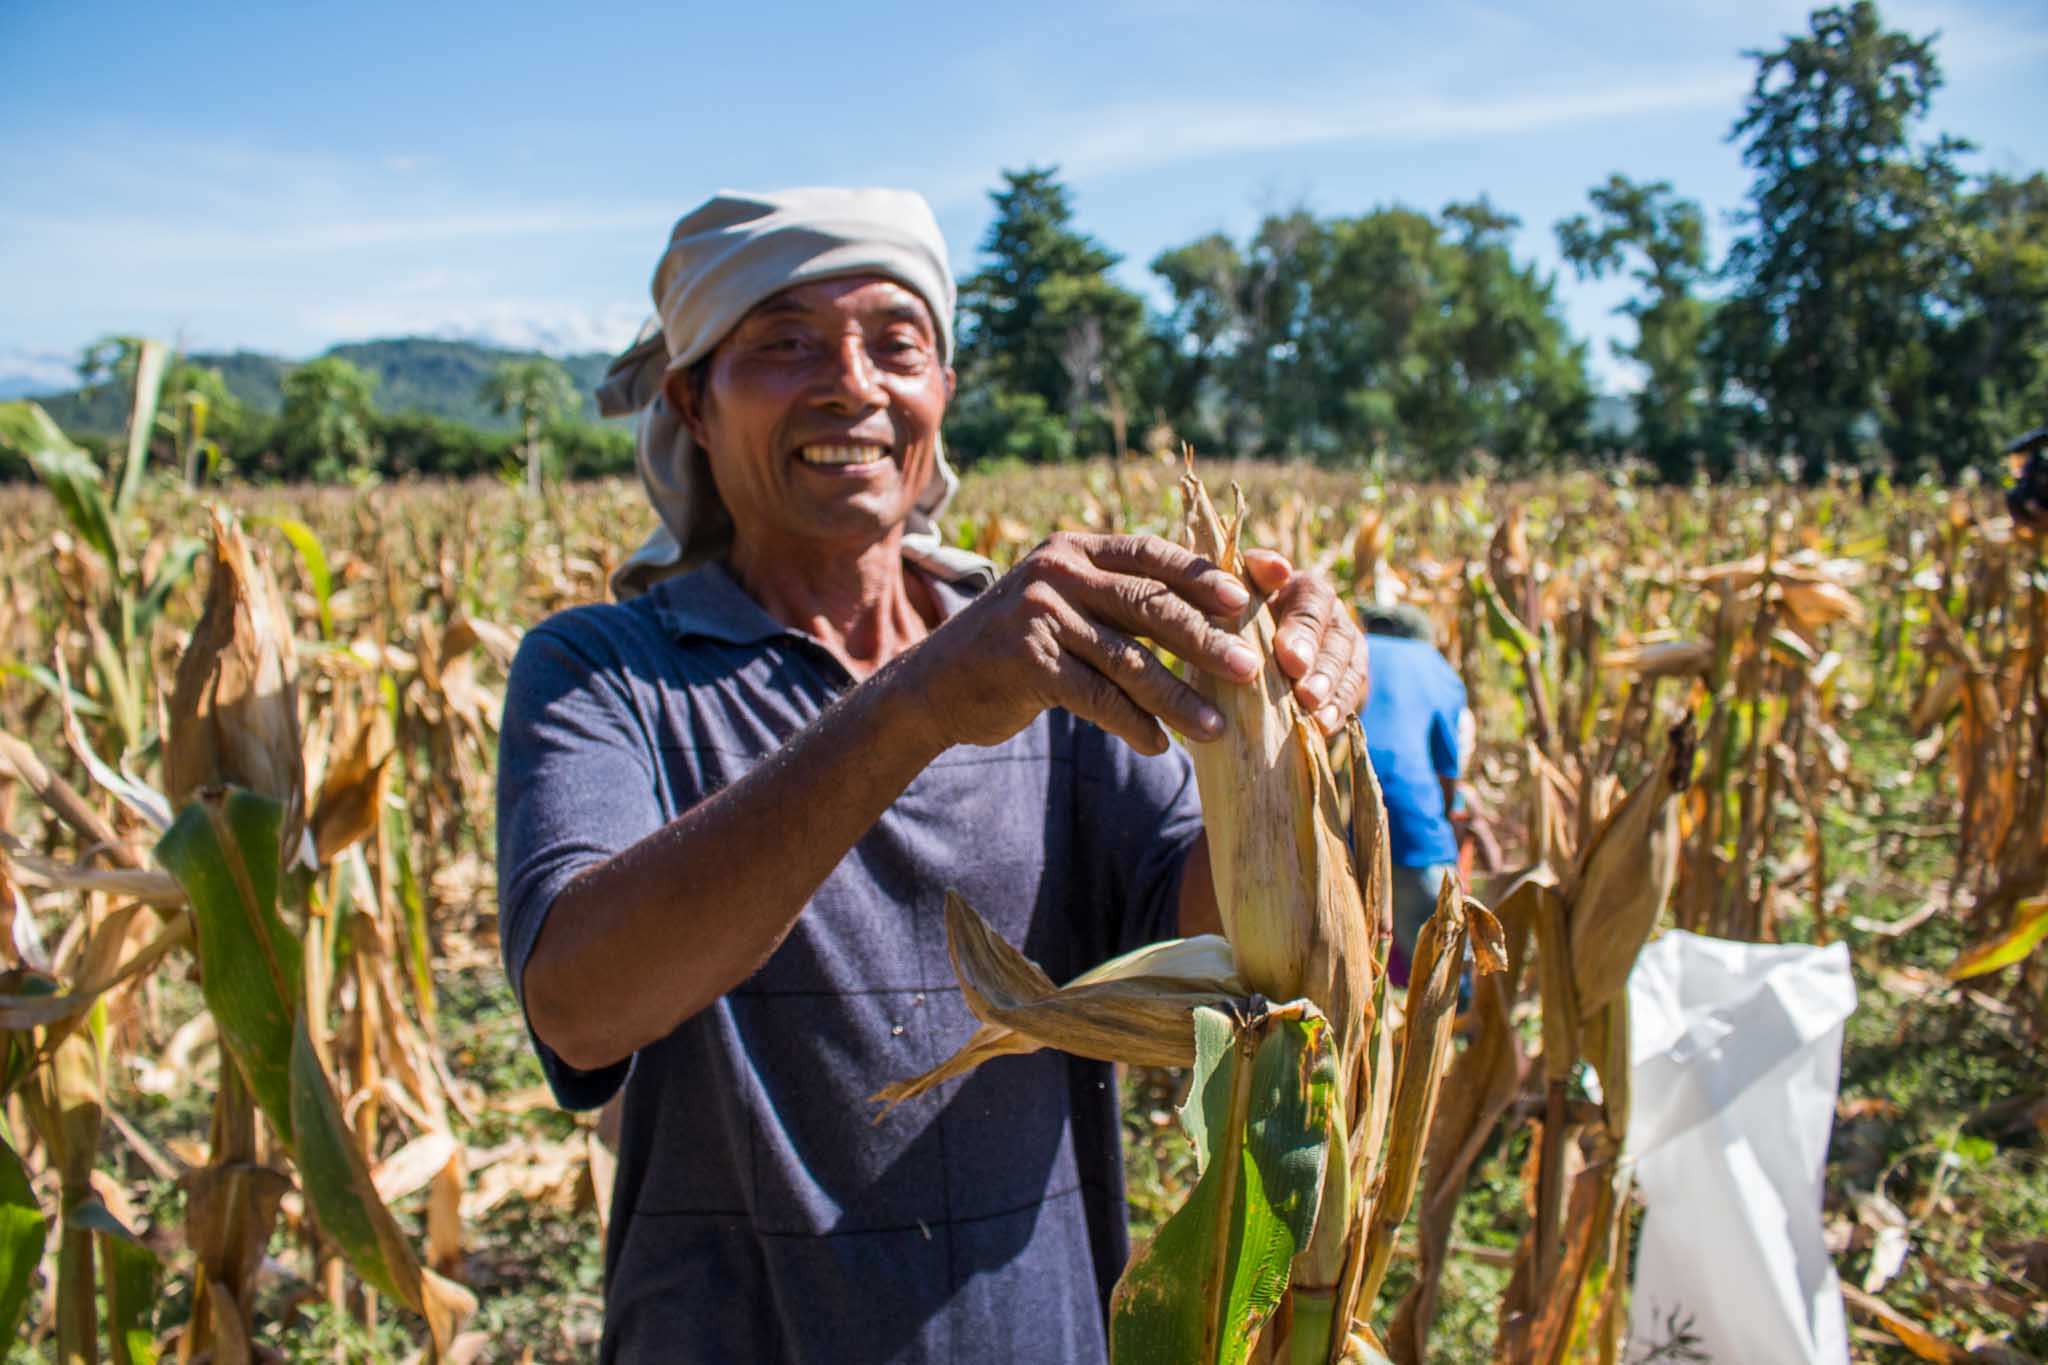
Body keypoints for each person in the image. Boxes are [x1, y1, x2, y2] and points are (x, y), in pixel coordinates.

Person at [494, 188, 1370, 1364]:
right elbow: (581, 1004)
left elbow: (1227, 944)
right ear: (691, 402)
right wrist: (912, 705)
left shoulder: (1060, 678)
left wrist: (1286, 738)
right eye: (784, 342)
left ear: (940, 396)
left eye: (894, 345)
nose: (851, 383)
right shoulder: (608, 671)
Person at [1355, 603, 1475, 986]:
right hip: (1414, 832)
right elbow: (1447, 773)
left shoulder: (1351, 648)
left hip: (1337, 837)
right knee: (1446, 982)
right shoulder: (1436, 668)